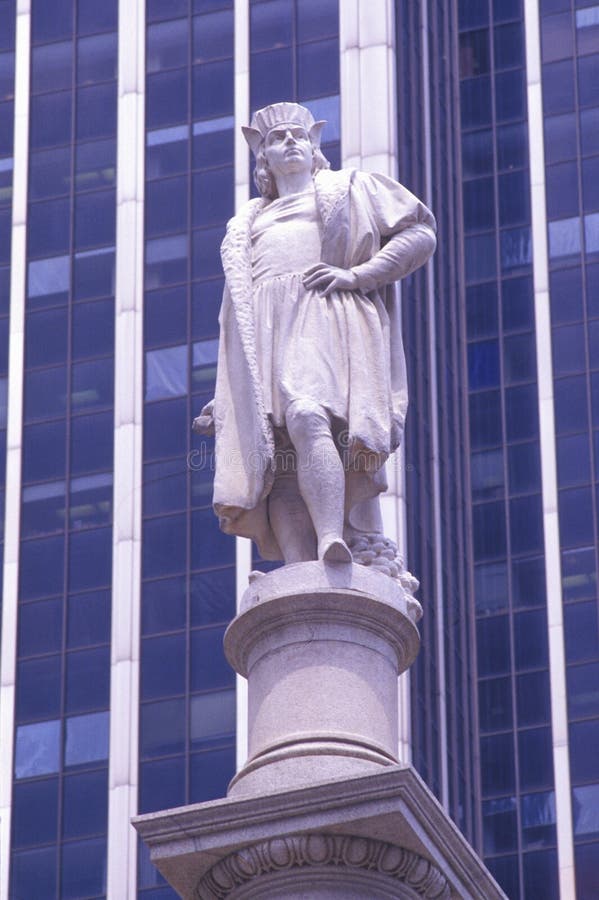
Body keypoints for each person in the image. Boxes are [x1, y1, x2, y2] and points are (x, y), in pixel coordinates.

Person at [193, 102, 436, 572]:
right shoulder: (245, 225)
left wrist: (360, 274)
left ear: (313, 147)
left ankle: (331, 537)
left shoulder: (349, 188)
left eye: (297, 136)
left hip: (326, 314)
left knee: (307, 414)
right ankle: (300, 568)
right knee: (273, 460)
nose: (289, 142)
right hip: (264, 331)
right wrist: (226, 394)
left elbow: (419, 232)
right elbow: (234, 318)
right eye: (277, 138)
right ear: (262, 157)